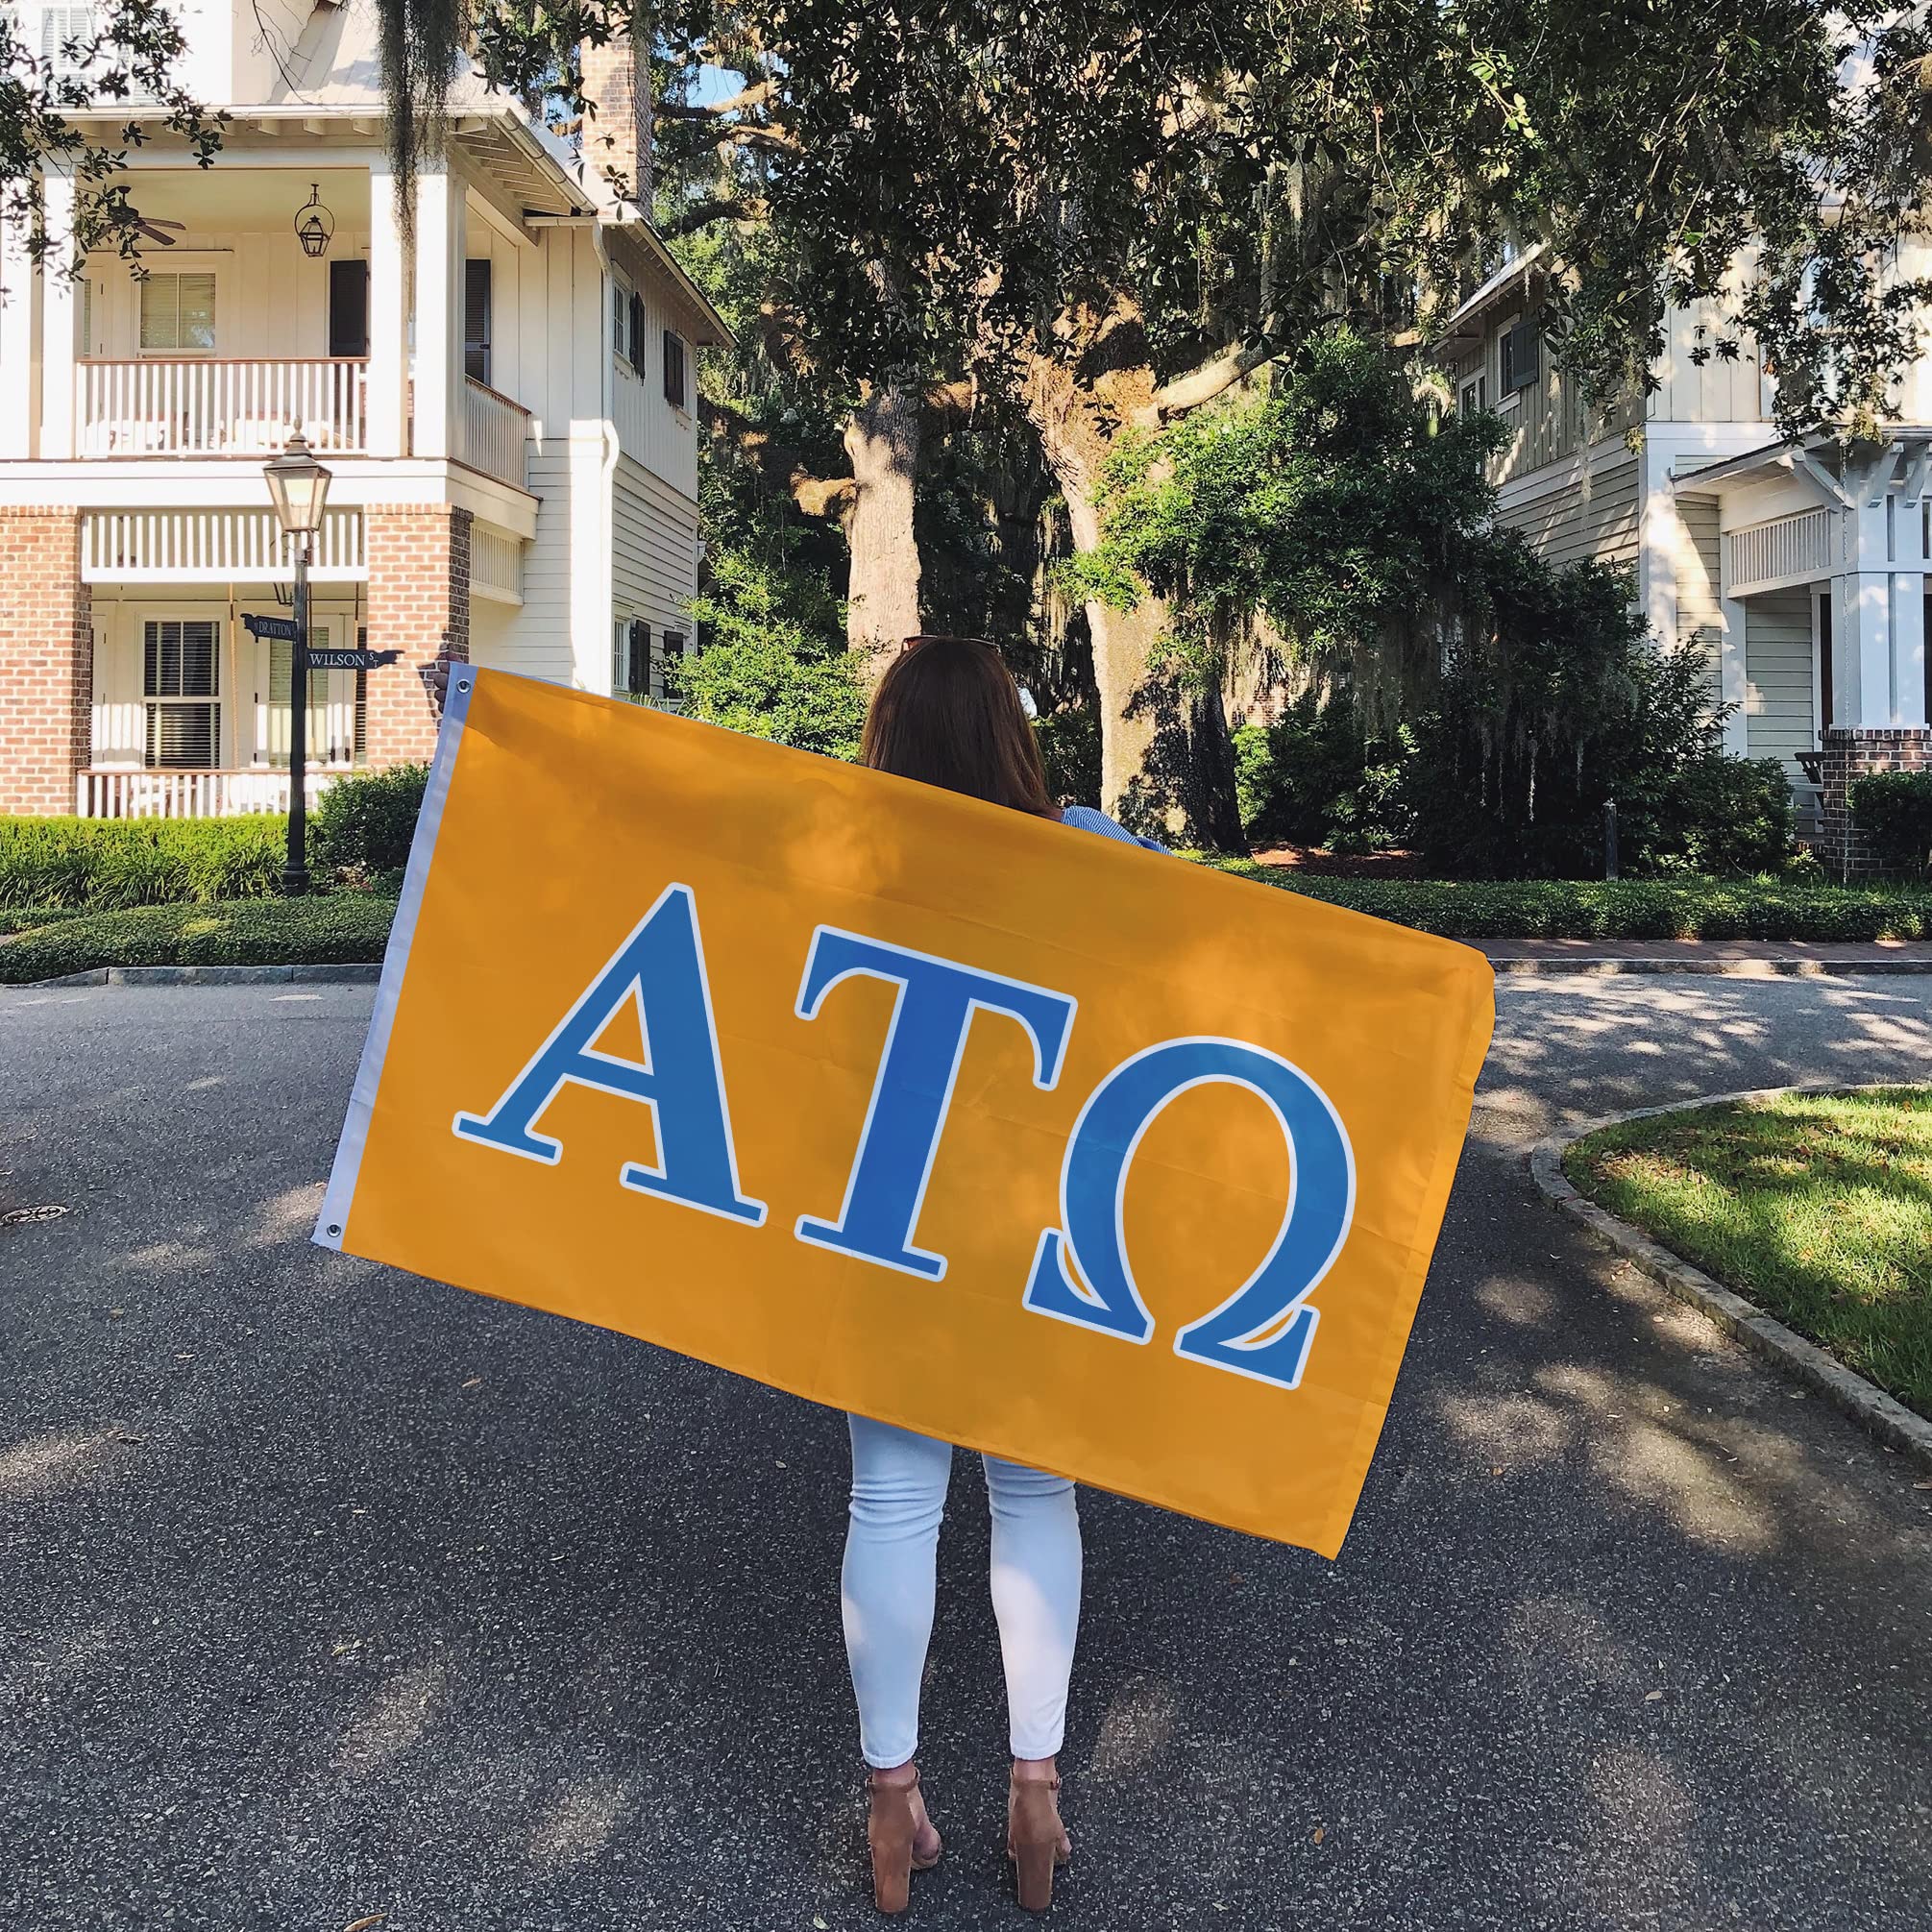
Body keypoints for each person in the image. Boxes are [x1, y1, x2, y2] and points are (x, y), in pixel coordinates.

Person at [843, 634, 1162, 1917]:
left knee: (891, 1504)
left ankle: (888, 1801)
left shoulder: (843, 855)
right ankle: (1035, 1792)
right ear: (1015, 738)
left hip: (885, 1230)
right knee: (1037, 1502)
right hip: (1039, 1237)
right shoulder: (1088, 844)